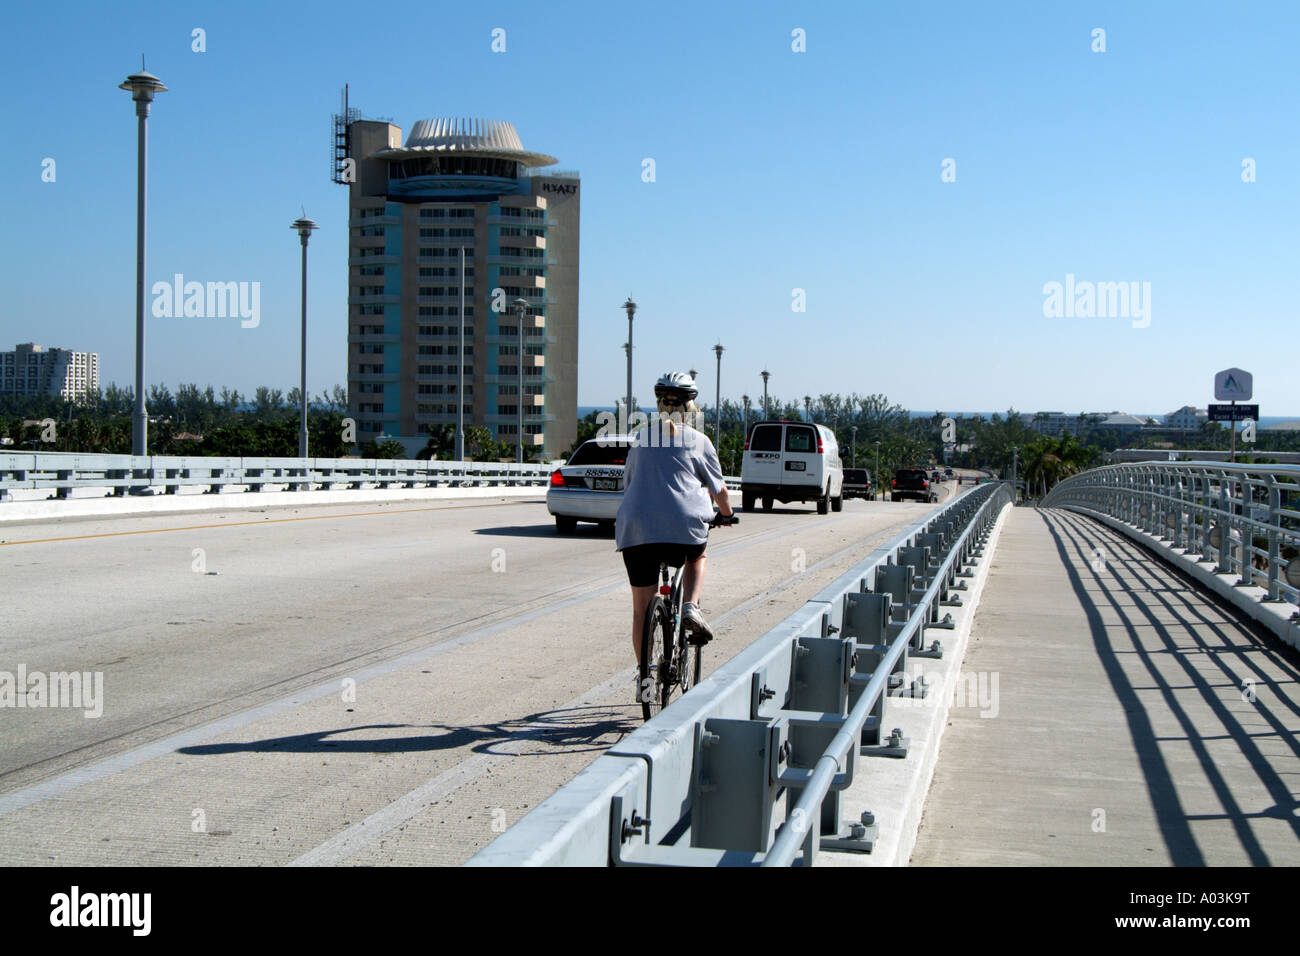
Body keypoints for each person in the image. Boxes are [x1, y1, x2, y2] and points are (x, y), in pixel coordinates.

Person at [615, 372, 734, 676]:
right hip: (684, 526)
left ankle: (644, 675)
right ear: (691, 406)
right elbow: (719, 490)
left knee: (641, 609)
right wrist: (726, 514)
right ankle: (691, 607)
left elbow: (628, 484)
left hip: (637, 528)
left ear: (659, 405)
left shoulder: (642, 438)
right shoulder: (699, 441)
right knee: (697, 556)